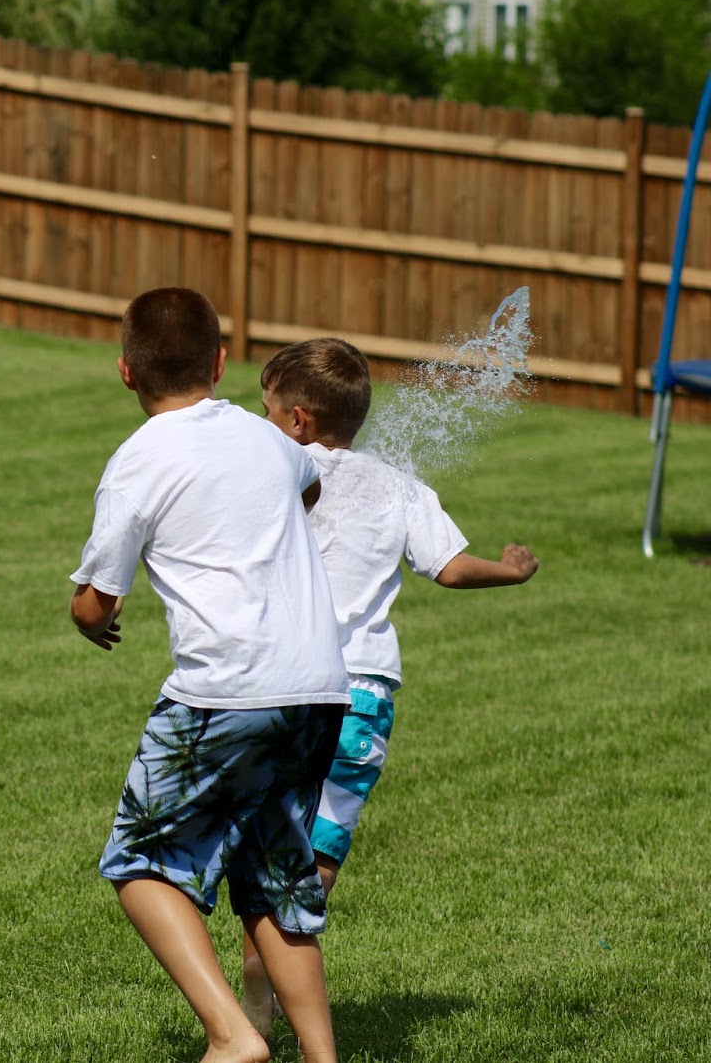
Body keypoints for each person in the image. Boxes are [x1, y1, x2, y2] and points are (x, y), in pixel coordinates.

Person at [70, 287, 350, 1063]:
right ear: (223, 363)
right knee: (276, 878)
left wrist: (86, 621)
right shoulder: (264, 439)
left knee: (141, 862)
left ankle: (232, 1036)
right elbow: (310, 483)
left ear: (125, 372)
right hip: (319, 689)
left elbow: (99, 604)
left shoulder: (138, 462)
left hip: (226, 693)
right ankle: (322, 1059)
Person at [243, 337, 538, 1037]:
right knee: (318, 855)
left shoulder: (271, 470)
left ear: (297, 422)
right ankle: (293, 954)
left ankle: (257, 998)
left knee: (265, 849)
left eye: (266, 409)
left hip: (286, 691)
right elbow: (452, 569)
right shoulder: (399, 485)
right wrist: (510, 569)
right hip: (363, 700)